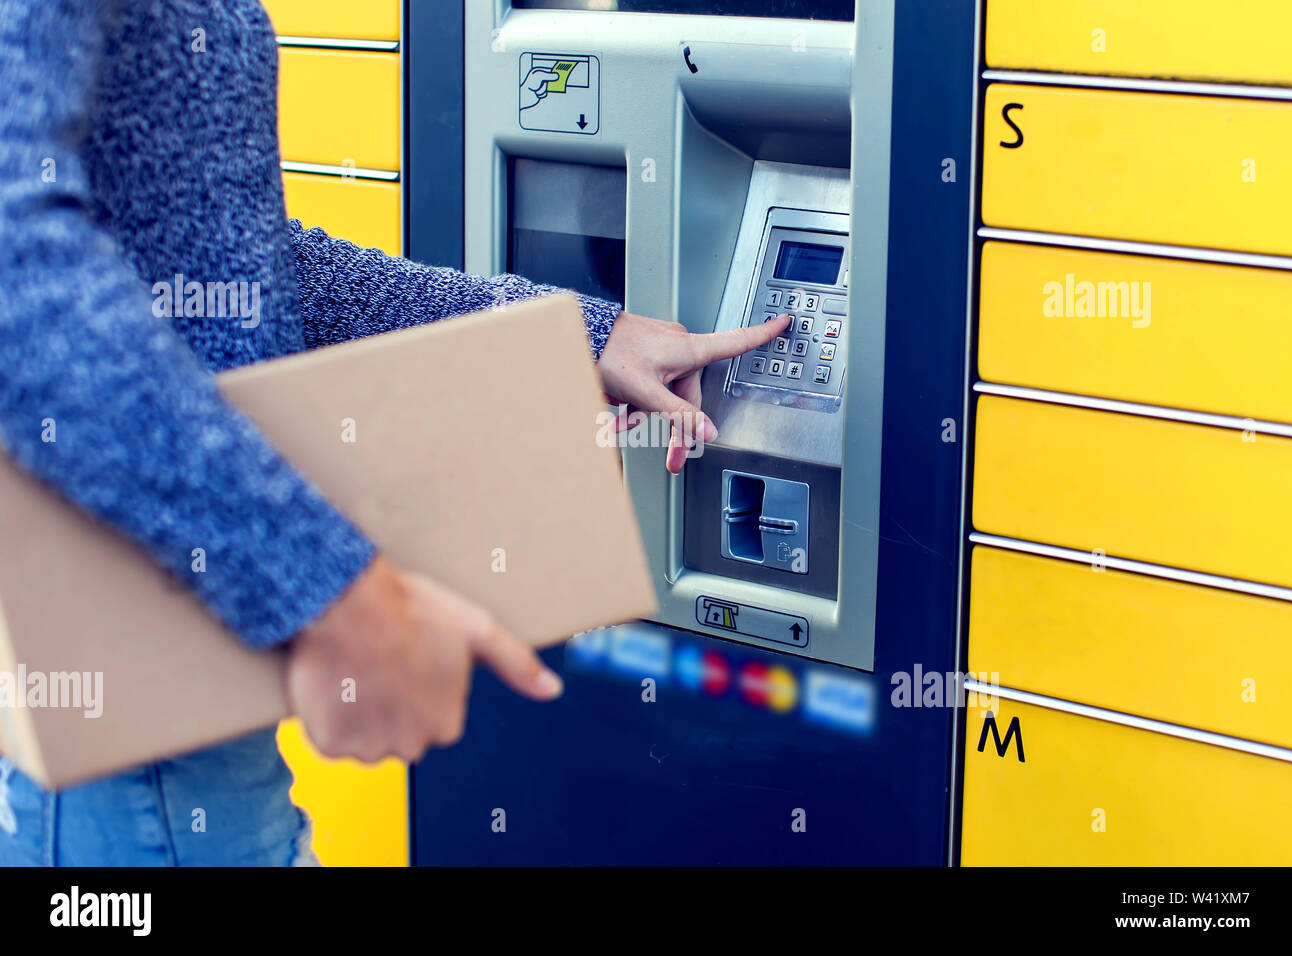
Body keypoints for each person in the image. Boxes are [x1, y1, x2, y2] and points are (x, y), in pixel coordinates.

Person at [0, 1, 788, 865]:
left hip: (166, 687)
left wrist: (569, 331)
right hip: (130, 710)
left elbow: (228, 265)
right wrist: (332, 591)